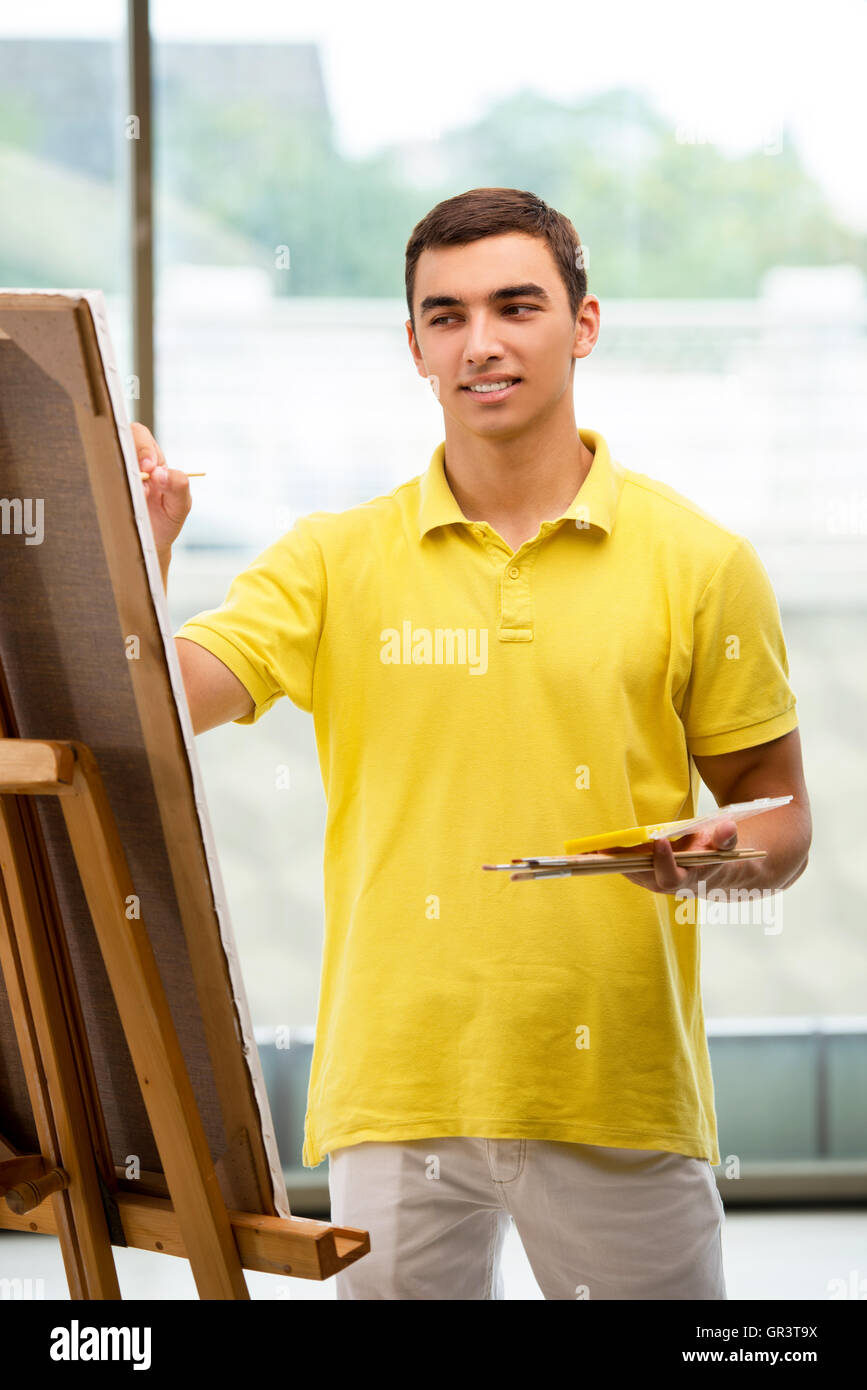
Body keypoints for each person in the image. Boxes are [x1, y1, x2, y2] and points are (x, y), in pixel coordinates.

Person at [135, 187, 812, 1300]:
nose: (480, 343)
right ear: (413, 345)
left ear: (583, 324)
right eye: (445, 316)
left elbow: (783, 820)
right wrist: (140, 551)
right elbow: (155, 704)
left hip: (620, 1089)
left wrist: (724, 849)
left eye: (516, 306)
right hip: (399, 1091)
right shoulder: (329, 558)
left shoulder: (703, 561)